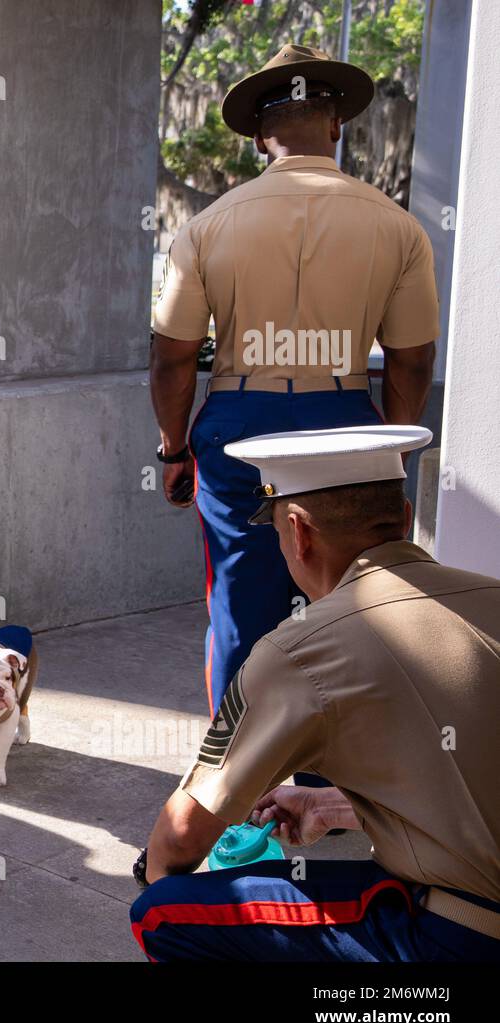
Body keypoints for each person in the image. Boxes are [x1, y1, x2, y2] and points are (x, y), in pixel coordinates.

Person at [130, 425, 500, 962]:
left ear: (299, 532)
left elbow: (182, 837)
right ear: (400, 514)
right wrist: (338, 806)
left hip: (461, 941)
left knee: (166, 913)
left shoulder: (302, 650)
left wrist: (154, 875)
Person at [149, 45, 438, 730]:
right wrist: (389, 451)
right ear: (335, 124)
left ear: (257, 137)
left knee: (240, 609)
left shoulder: (205, 226)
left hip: (240, 426)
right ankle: (325, 782)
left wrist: (172, 448)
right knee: (346, 609)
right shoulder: (398, 227)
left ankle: (242, 791)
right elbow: (411, 362)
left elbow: (171, 357)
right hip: (346, 423)